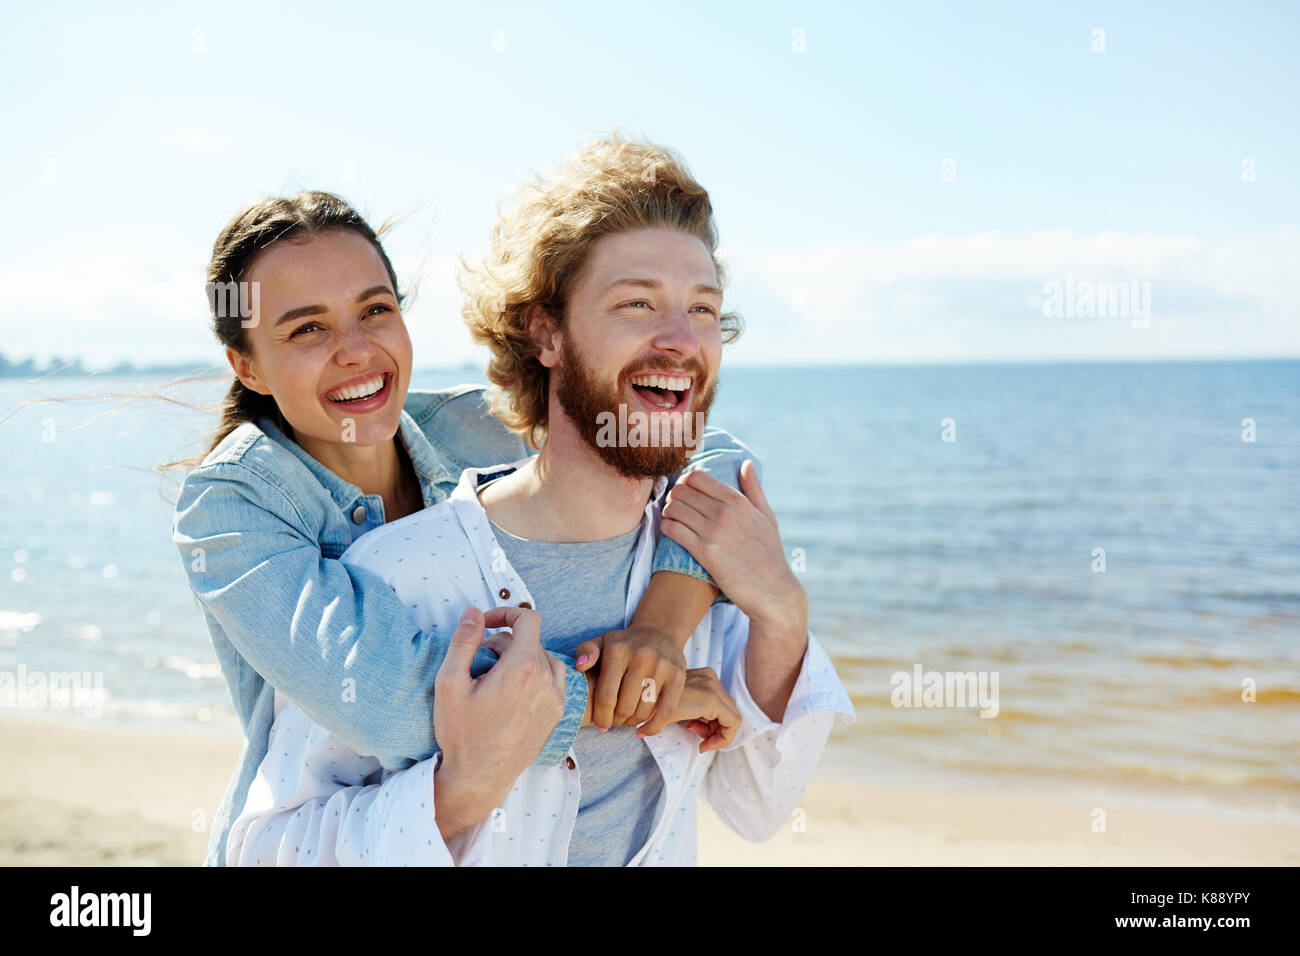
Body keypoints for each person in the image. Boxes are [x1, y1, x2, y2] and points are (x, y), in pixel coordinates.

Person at [226, 135, 854, 866]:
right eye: (638, 303)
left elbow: (755, 803)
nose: (682, 339)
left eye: (704, 309)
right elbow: (267, 850)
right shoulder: (398, 574)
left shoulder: (705, 552)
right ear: (546, 332)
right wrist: (461, 788)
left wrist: (782, 611)